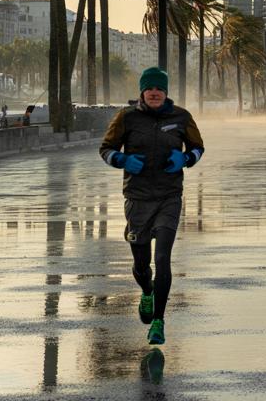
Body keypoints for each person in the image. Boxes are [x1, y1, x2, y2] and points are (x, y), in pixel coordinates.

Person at [99, 67, 205, 345]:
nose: (155, 93)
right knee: (142, 264)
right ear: (142, 92)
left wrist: (186, 159)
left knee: (162, 260)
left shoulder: (181, 117)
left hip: (169, 197)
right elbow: (105, 148)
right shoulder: (126, 117)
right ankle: (146, 291)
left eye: (160, 89)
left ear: (166, 92)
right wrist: (120, 160)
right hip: (137, 199)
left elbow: (198, 146)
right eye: (150, 89)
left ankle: (158, 322)